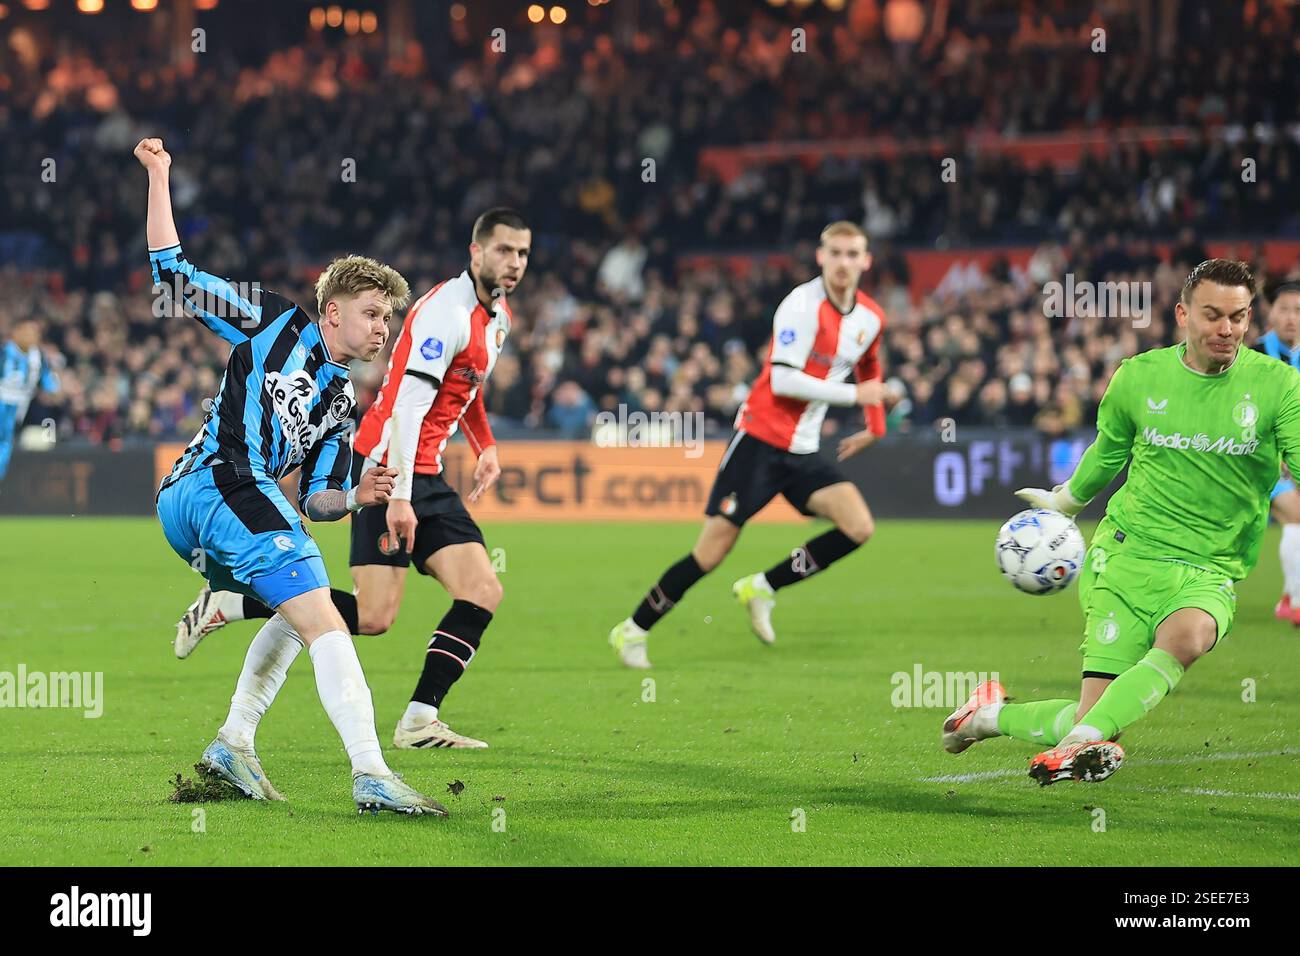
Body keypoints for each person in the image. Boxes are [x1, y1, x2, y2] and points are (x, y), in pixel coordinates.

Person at [138, 137, 443, 815]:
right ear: (332, 311)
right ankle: (370, 773)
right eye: (372, 314)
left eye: (389, 318)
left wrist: (358, 494)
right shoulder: (271, 320)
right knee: (326, 619)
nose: (383, 329)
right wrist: (159, 175)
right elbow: (172, 273)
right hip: (211, 482)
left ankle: (232, 744)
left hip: (222, 507)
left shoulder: (342, 405)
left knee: (305, 608)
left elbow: (320, 500)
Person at [172, 209, 530, 751]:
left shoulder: (497, 319)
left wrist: (486, 445)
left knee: (476, 590)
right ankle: (351, 755)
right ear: (476, 252)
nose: (515, 263)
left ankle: (416, 718)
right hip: (391, 466)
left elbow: (468, 387)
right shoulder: (445, 312)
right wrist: (398, 495)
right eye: (504, 250)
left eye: (523, 253)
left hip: (423, 472)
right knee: (365, 612)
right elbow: (408, 404)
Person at [944, 260, 1300, 785]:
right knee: (1097, 716)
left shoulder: (1278, 385)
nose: (1226, 329)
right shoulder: (1138, 377)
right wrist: (1064, 503)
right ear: (1183, 314)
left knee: (1190, 635)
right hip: (1125, 557)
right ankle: (990, 718)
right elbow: (1108, 455)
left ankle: (1078, 743)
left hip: (1210, 566)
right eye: (1212, 315)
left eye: (1239, 317)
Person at [607, 221, 888, 669]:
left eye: (853, 254)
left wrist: (876, 426)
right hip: (759, 441)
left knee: (858, 526)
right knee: (711, 553)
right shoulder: (800, 305)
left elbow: (869, 364)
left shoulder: (871, 316)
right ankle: (633, 629)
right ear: (820, 256)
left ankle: (763, 587)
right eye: (835, 253)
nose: (843, 262)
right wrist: (856, 397)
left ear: (866, 260)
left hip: (802, 448)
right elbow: (782, 378)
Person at [1251, 281, 1300, 625]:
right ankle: (1295, 600)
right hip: (1259, 457)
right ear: (1270, 312)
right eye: (1284, 309)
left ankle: (1290, 595)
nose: (1291, 318)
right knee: (1296, 515)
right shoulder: (1252, 355)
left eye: (1299, 311)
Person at [0, 320, 61, 484]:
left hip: (20, 405)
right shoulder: (5, 352)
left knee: (6, 442)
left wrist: (55, 389)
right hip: (3, 400)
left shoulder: (38, 356)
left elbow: (48, 381)